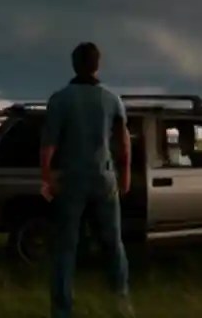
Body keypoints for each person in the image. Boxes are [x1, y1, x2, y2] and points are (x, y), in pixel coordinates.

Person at [40, 42, 133, 318]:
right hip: (104, 178)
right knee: (113, 243)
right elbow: (123, 144)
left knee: (66, 247)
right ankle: (121, 305)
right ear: (97, 65)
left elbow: (48, 147)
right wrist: (125, 176)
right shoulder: (111, 99)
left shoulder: (60, 99)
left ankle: (62, 310)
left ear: (74, 64)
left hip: (71, 180)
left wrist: (47, 179)